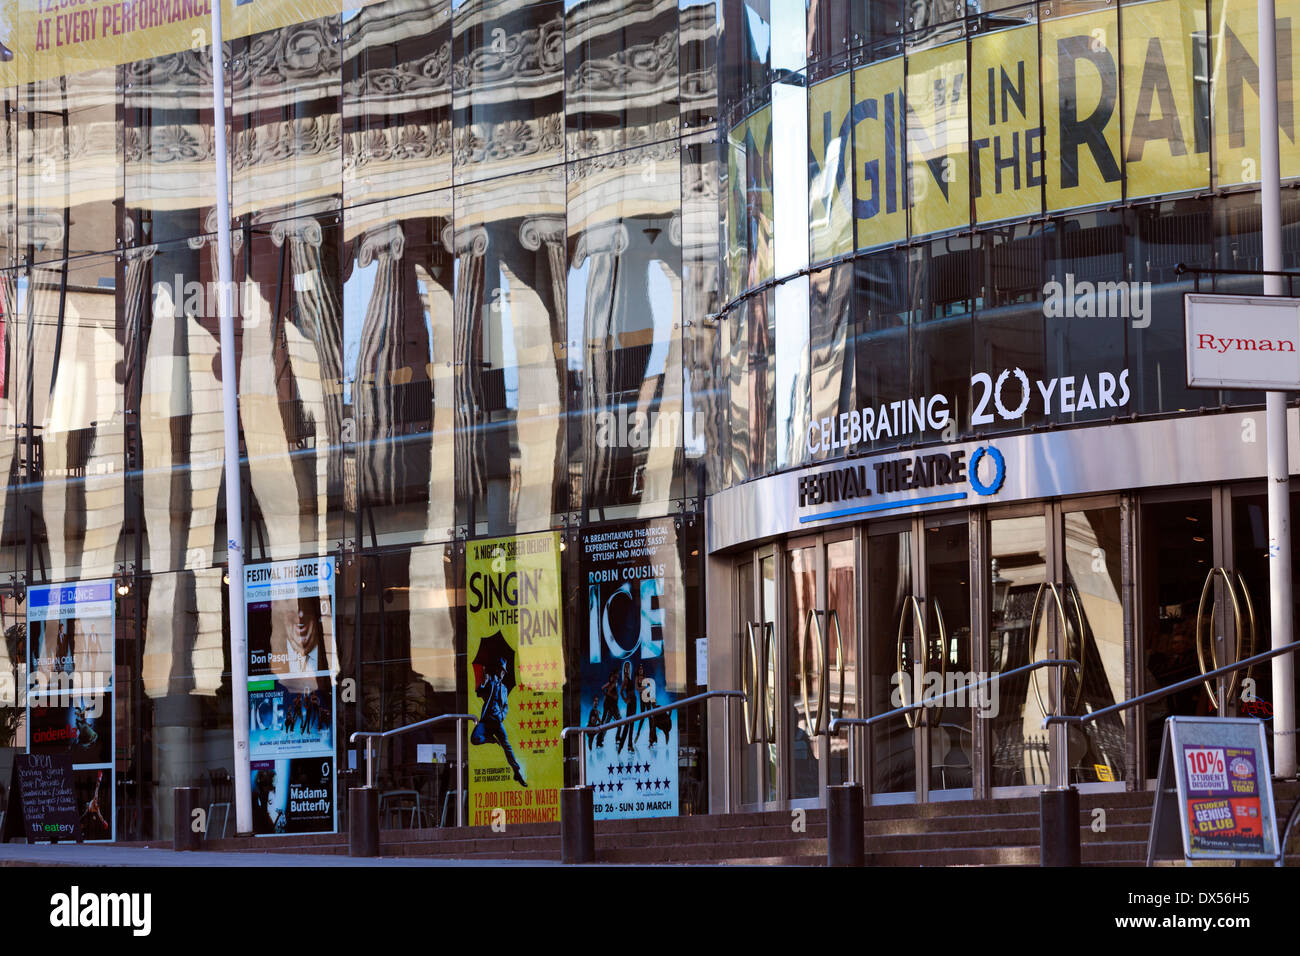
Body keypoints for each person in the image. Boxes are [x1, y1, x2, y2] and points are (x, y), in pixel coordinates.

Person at [471, 657, 526, 787]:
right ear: (497, 669)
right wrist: (484, 681)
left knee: (507, 747)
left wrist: (501, 716)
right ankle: (490, 739)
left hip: (497, 721)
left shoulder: (504, 688)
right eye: (501, 670)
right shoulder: (489, 681)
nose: (502, 673)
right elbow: (479, 693)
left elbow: (505, 705)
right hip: (486, 720)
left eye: (503, 671)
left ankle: (517, 772)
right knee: (474, 739)